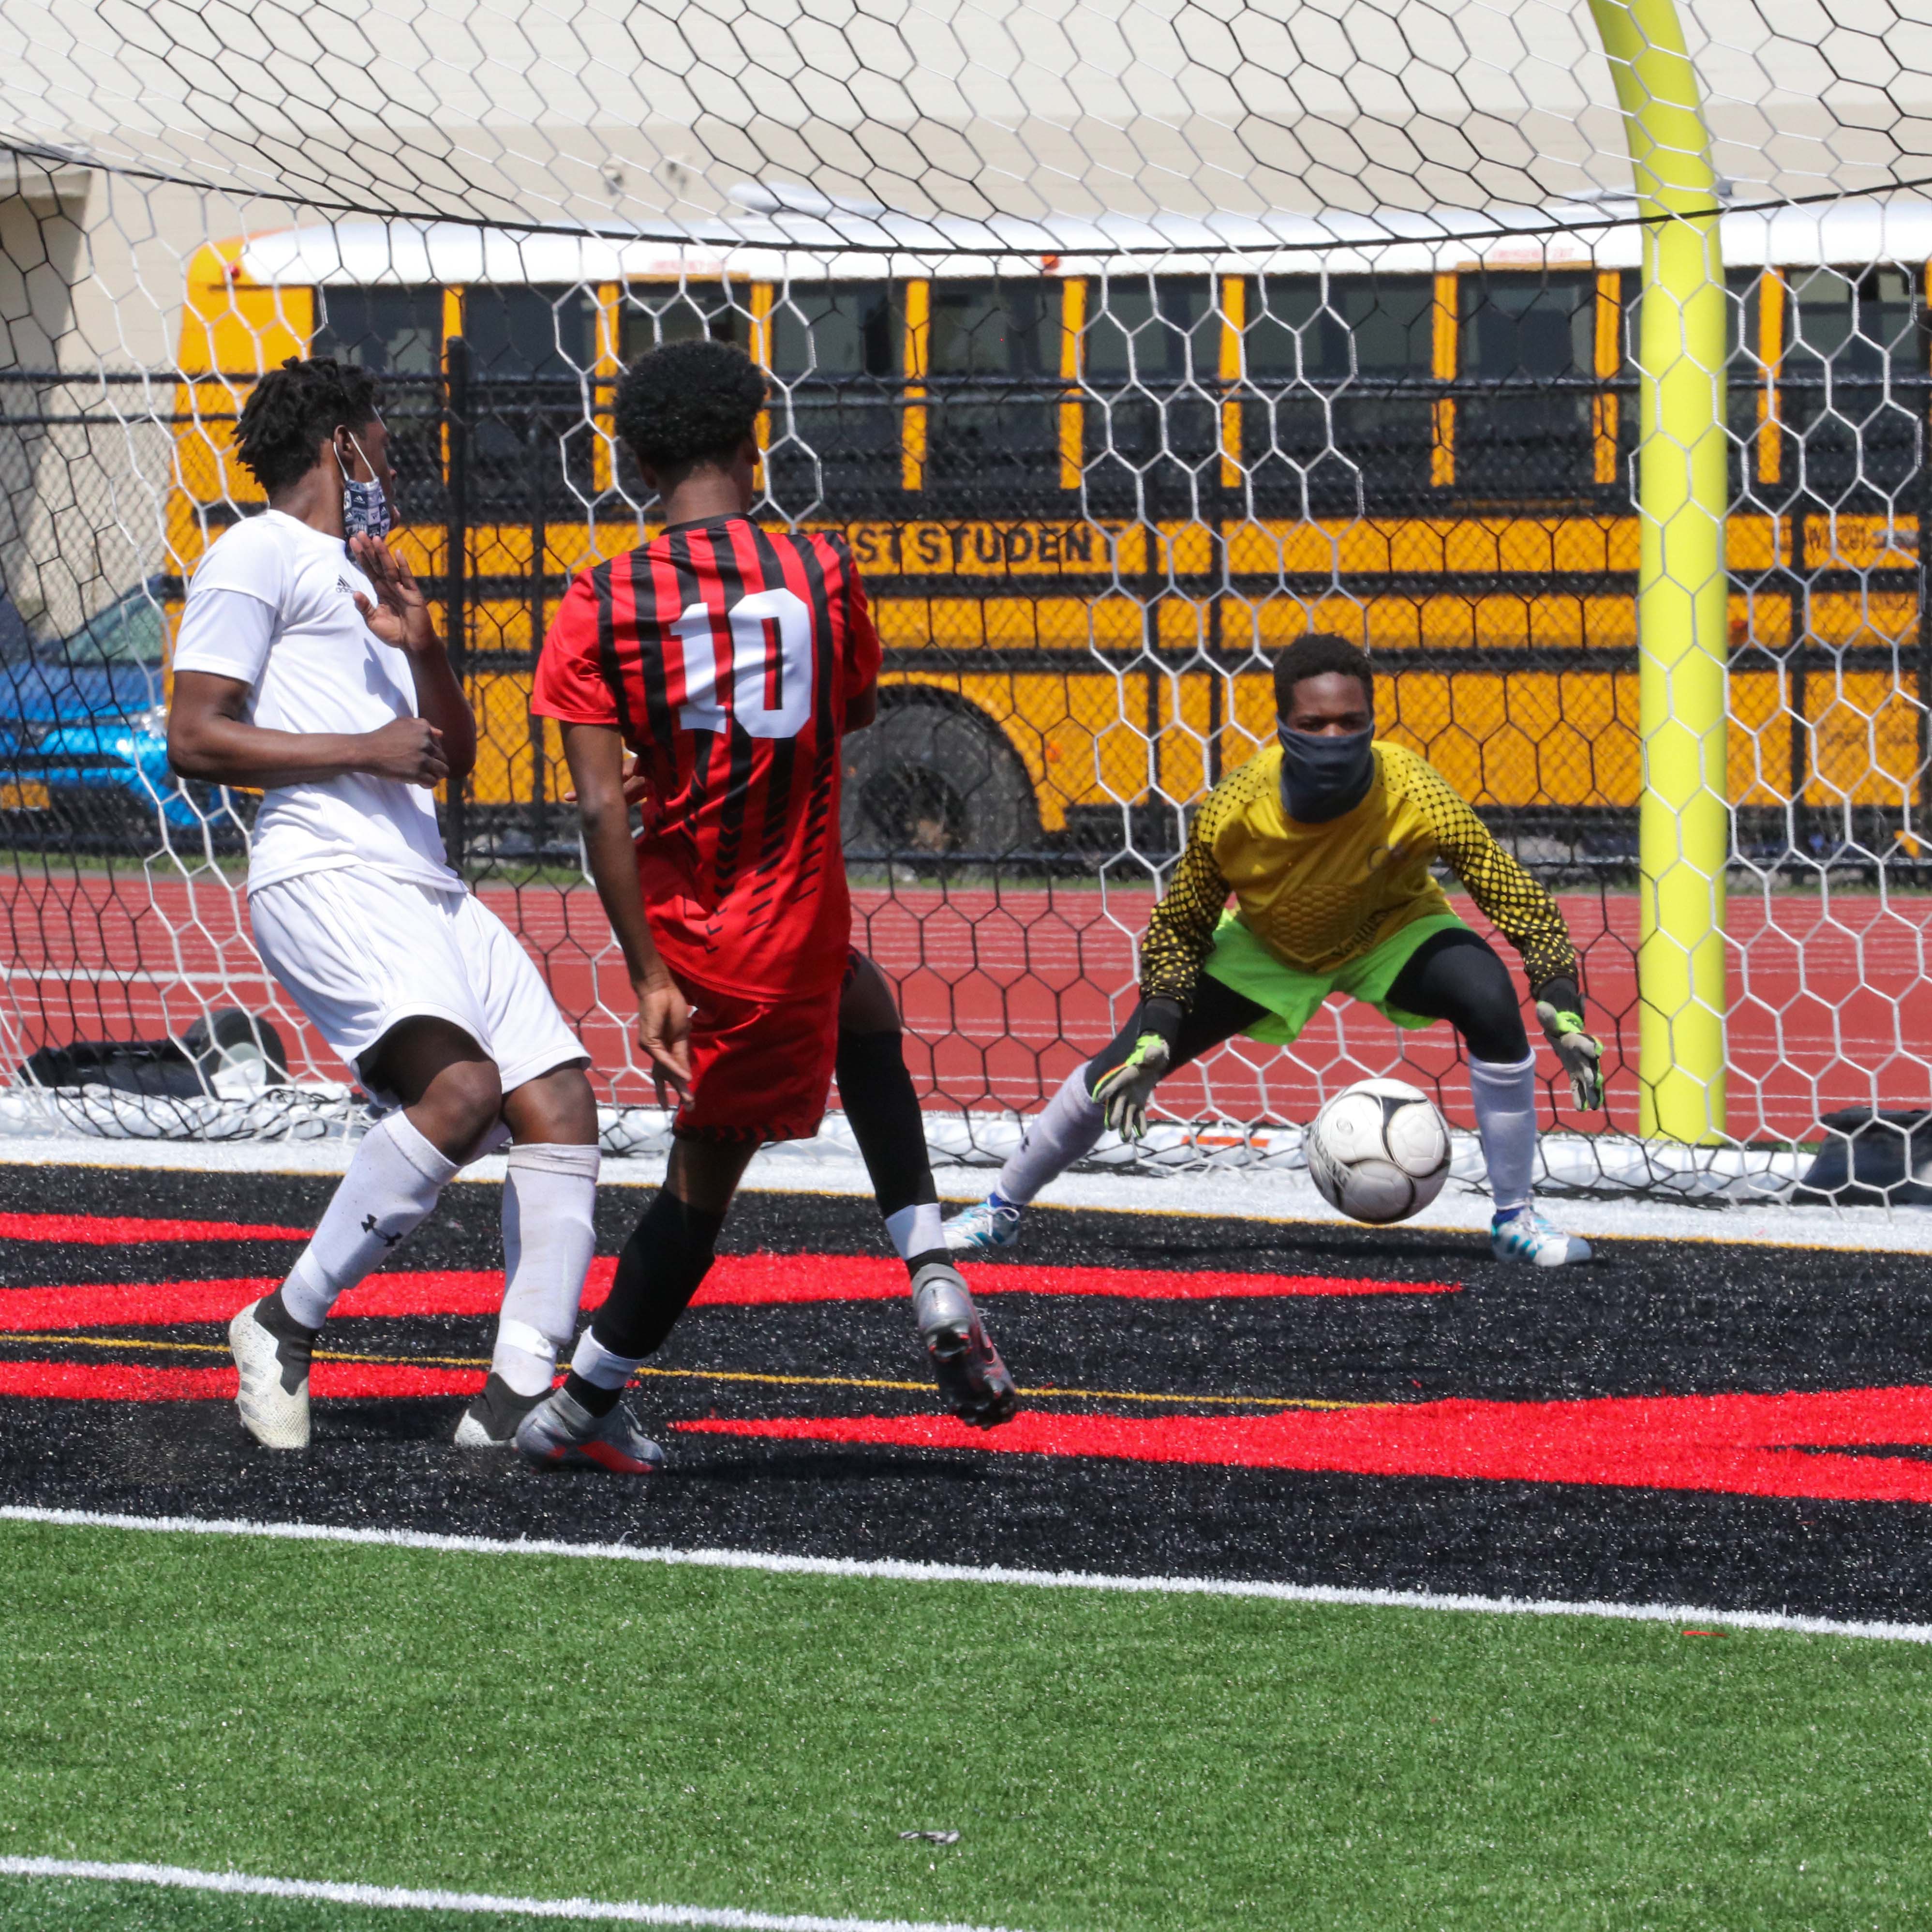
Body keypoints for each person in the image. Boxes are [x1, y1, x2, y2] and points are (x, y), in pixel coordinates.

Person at [517, 336, 1016, 1474]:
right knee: (863, 1009)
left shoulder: (598, 602)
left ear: (634, 461)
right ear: (755, 446)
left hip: (701, 939)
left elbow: (601, 808)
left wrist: (649, 976)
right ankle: (929, 1264)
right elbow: (847, 712)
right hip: (798, 917)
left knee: (704, 1179)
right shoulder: (821, 572)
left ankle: (575, 1406)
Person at [167, 356, 603, 1450]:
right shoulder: (253, 551)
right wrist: (361, 746)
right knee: (460, 1092)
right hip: (322, 867)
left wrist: (424, 643)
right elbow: (196, 734)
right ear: (336, 444)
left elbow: (443, 754)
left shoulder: (371, 573)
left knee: (558, 1102)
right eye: (381, 439)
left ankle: (513, 1395)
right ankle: (281, 1320)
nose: (392, 459)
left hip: (421, 878)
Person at [946, 633, 1605, 1266]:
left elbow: (1513, 892)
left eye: (1350, 722)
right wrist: (1159, 1030)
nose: (1333, 738)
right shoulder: (1234, 808)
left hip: (1391, 932)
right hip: (1268, 946)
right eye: (1313, 723)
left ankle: (1514, 1219)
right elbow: (1179, 927)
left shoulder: (1415, 788)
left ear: (1373, 721)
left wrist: (1559, 999)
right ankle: (999, 1207)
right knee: (1116, 1069)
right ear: (1281, 723)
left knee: (1488, 994)